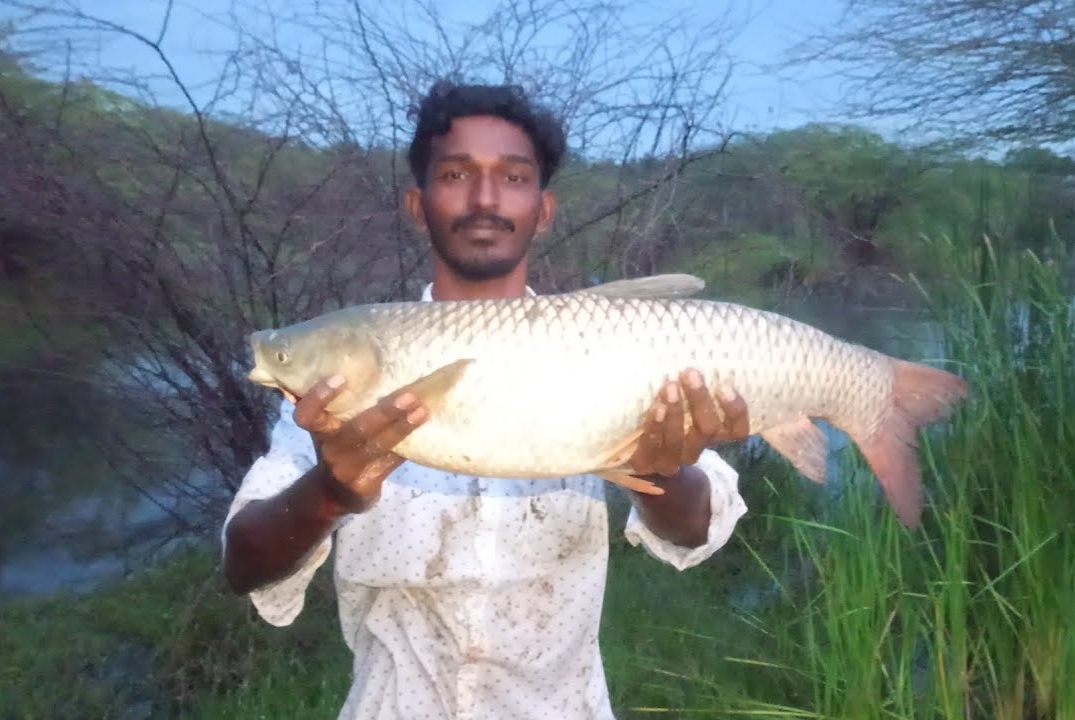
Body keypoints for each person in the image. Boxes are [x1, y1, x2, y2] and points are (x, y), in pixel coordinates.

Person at [221, 79, 750, 720]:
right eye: (455, 173)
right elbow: (244, 564)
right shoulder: (331, 398)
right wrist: (328, 492)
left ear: (544, 209)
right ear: (418, 206)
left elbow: (695, 529)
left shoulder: (609, 345)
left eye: (513, 176)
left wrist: (656, 466)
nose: (484, 198)